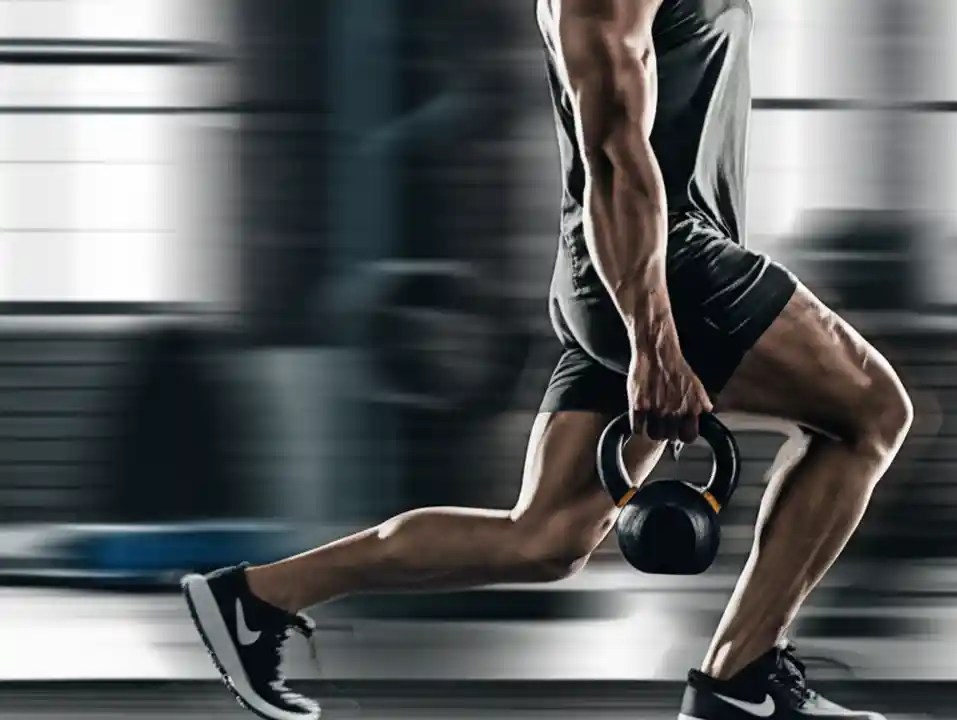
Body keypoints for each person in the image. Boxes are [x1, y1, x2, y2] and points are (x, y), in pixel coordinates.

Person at [180, 1, 913, 718]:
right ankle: (741, 682)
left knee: (546, 538)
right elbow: (615, 153)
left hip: (623, 271)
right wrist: (653, 338)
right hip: (665, 269)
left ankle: (257, 600)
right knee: (870, 413)